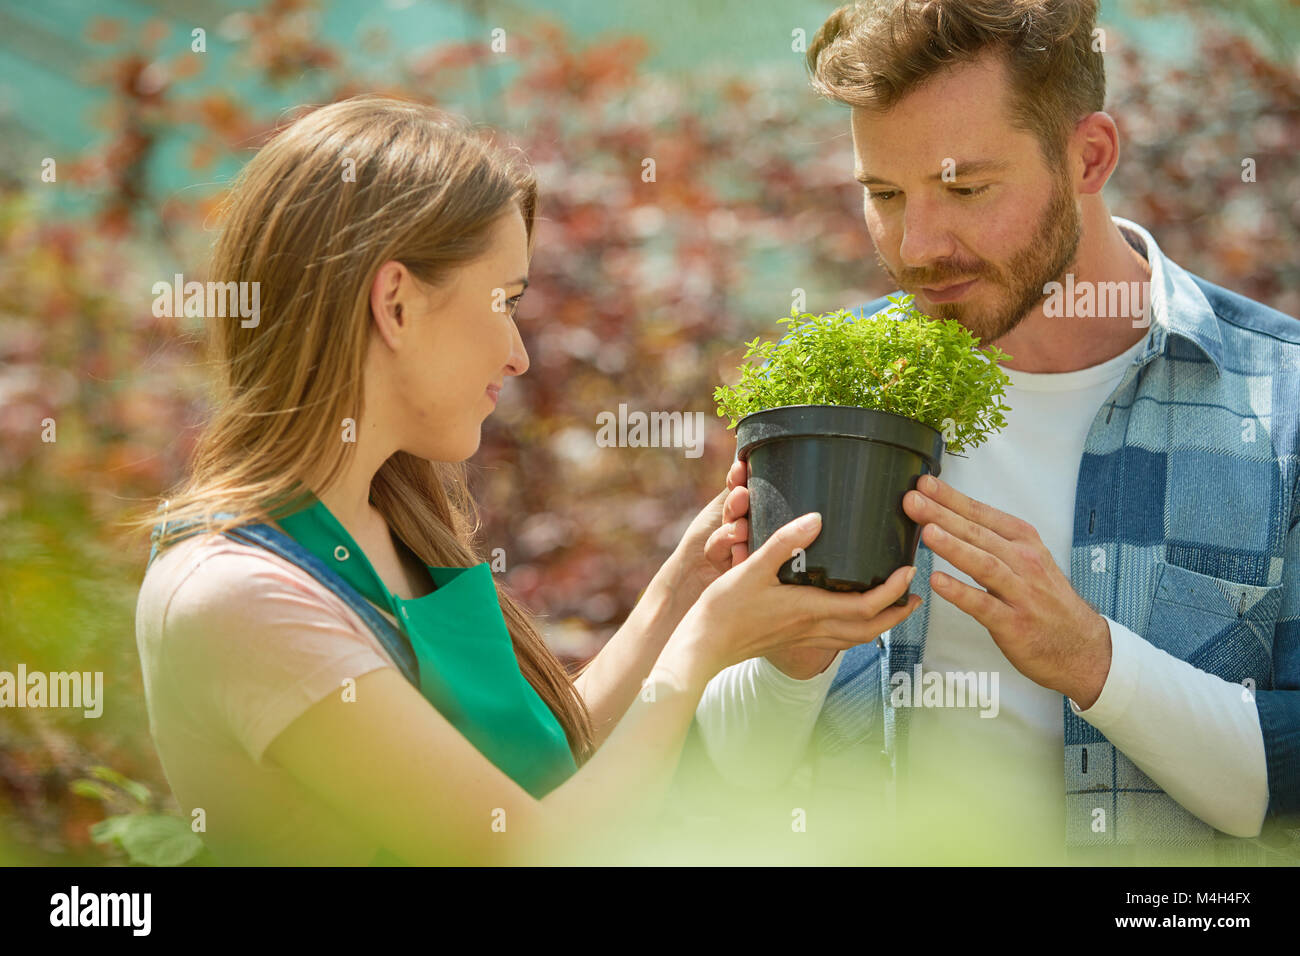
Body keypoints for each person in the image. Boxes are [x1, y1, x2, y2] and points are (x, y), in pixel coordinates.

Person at [130, 95, 923, 866]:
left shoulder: (388, 527)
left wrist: (682, 590)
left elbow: (541, 774)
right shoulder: (237, 597)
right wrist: (707, 644)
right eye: (503, 301)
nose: (519, 354)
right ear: (397, 304)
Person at [694, 0, 1300, 865]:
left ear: (1089, 156)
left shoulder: (1282, 405)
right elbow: (726, 773)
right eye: (883, 193)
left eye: (966, 188)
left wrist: (1095, 662)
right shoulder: (835, 389)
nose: (918, 244)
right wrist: (792, 663)